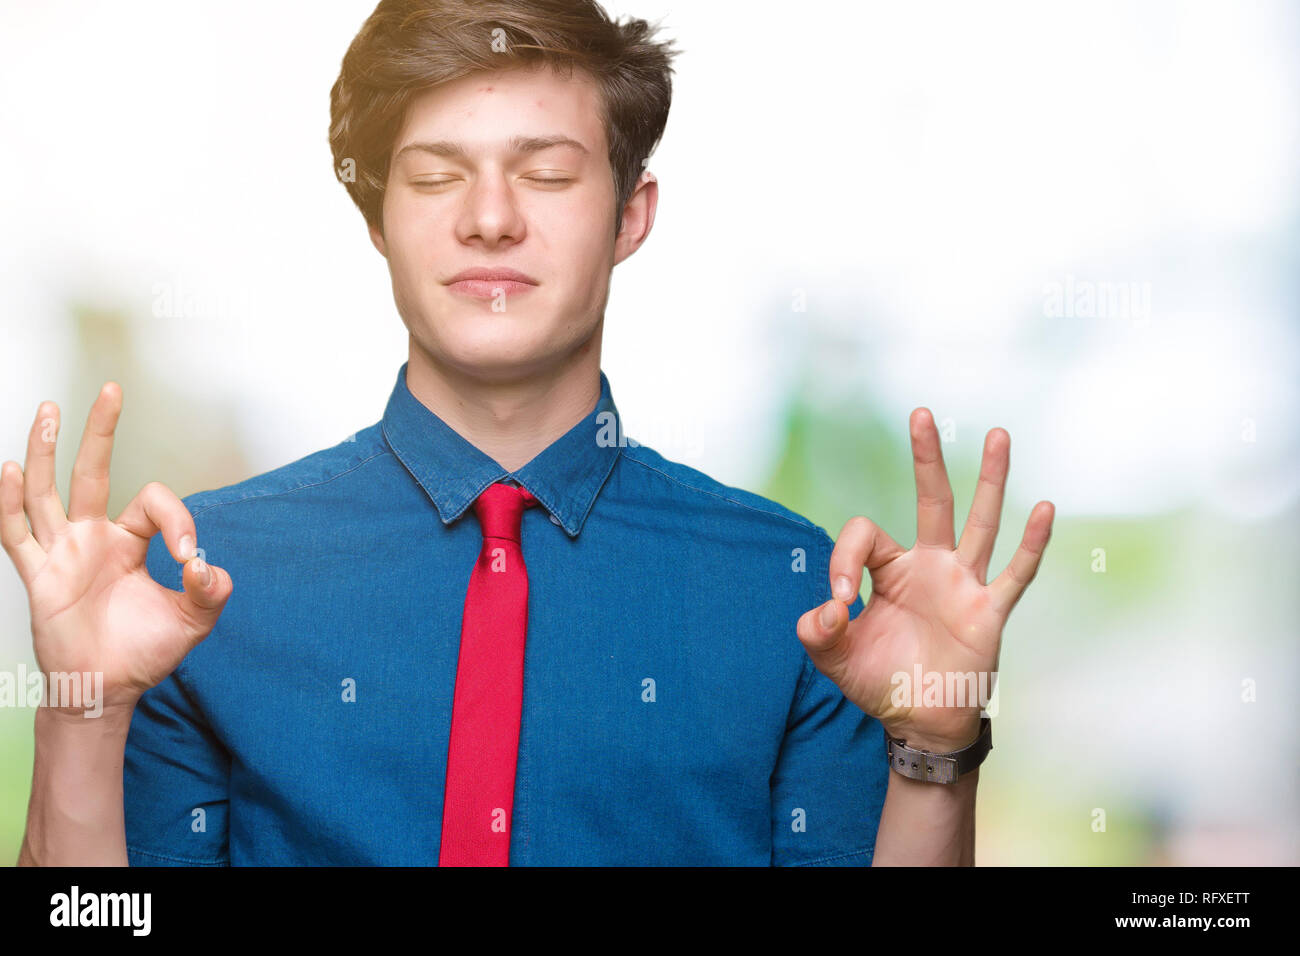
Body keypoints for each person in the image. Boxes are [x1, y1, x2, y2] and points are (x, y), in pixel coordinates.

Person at [3, 0, 1053, 866]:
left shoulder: (794, 595)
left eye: (546, 172)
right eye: (434, 174)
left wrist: (933, 744)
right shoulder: (197, 585)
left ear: (630, 214)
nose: (491, 216)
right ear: (377, 218)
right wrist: (84, 710)